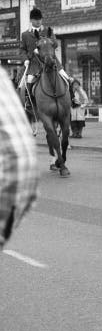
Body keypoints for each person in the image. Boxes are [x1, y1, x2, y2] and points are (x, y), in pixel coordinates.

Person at [0, 67, 39, 249]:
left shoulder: (50, 40)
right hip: (31, 66)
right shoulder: (28, 39)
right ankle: (29, 104)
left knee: (65, 79)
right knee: (27, 84)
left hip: (48, 65)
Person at [19, 8, 73, 105]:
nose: (38, 21)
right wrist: (26, 59)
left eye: (40, 19)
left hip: (51, 61)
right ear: (31, 20)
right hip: (34, 64)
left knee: (67, 78)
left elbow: (55, 44)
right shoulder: (25, 34)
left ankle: (73, 99)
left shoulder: (48, 31)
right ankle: (29, 101)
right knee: (28, 82)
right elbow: (22, 49)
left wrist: (47, 43)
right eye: (36, 19)